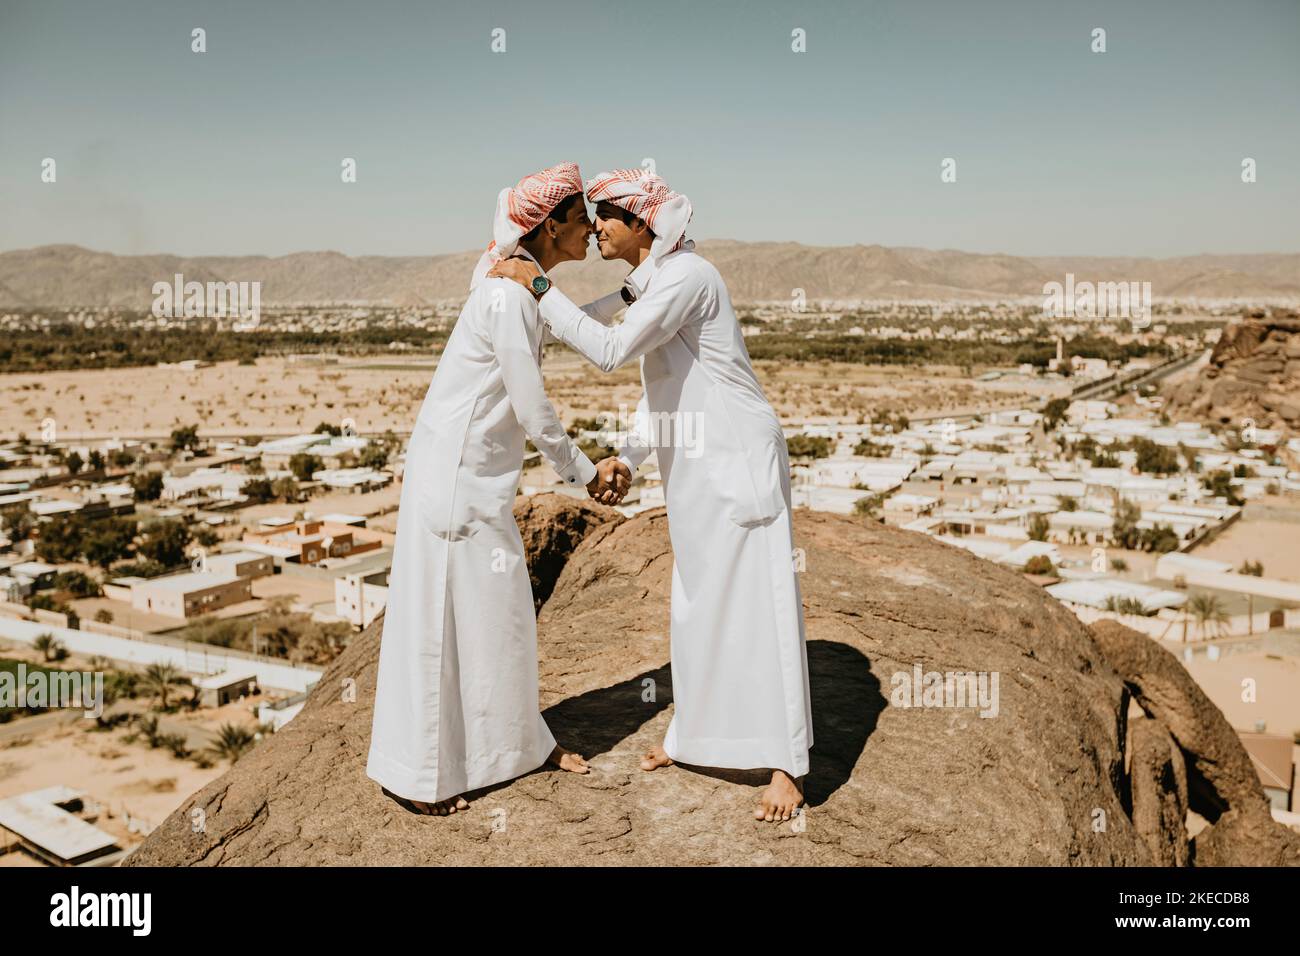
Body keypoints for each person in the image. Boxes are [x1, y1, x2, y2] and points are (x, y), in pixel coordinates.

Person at [490, 169, 812, 822]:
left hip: (737, 459)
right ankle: (693, 738)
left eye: (605, 214)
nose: (596, 225)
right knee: (697, 602)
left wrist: (538, 283)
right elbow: (661, 382)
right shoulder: (665, 279)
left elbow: (608, 349)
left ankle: (788, 766)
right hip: (693, 465)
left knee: (759, 603)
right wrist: (630, 460)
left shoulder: (690, 278)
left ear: (643, 223)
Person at [366, 163, 625, 816]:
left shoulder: (520, 288)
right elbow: (532, 406)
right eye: (580, 217)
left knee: (498, 616)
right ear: (550, 225)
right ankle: (418, 778)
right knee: (442, 628)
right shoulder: (507, 295)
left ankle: (514, 749)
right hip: (457, 482)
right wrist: (585, 473)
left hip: (474, 481)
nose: (592, 228)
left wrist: (630, 299)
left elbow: (567, 323)